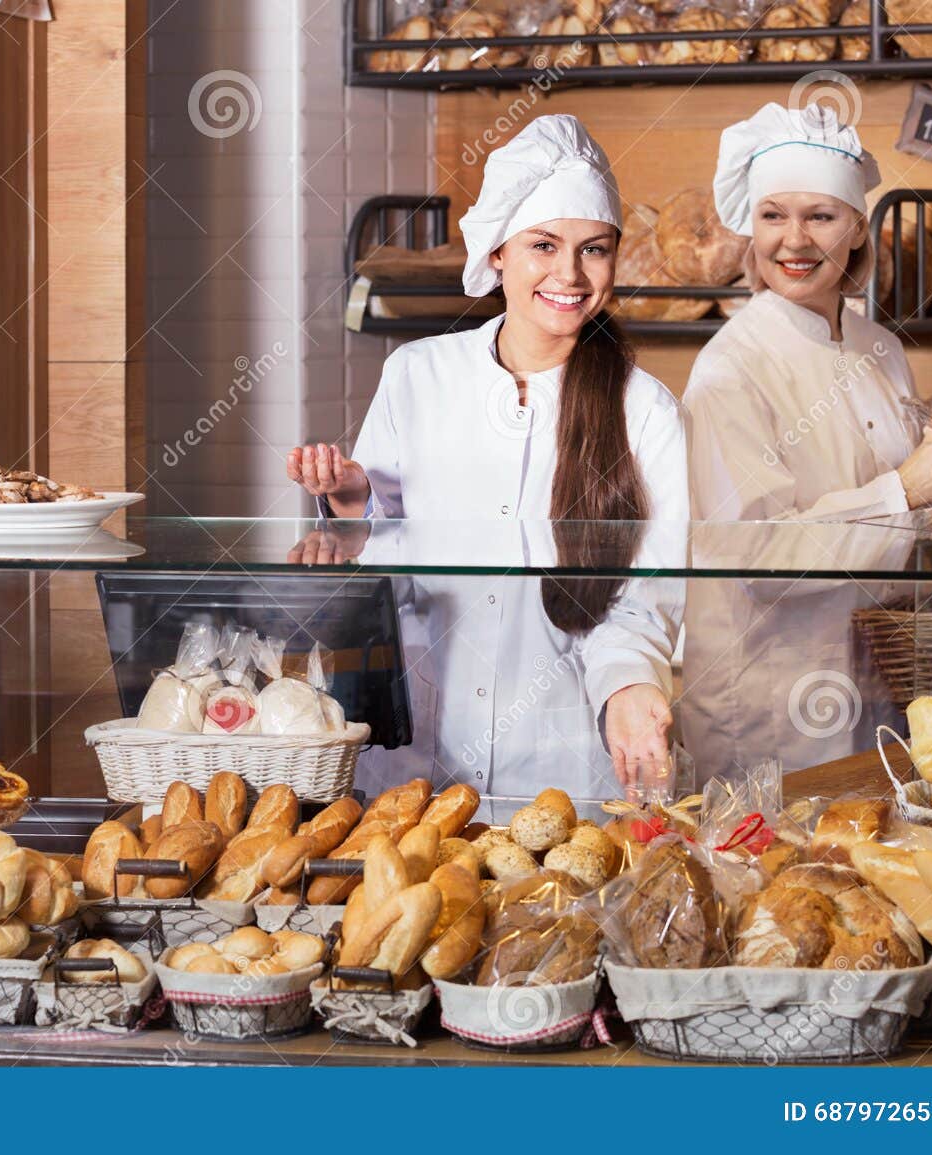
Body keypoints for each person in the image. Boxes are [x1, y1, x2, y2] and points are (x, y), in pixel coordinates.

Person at [285, 114, 688, 801]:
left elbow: (644, 604)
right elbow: (391, 577)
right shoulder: (419, 375)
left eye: (594, 249)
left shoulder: (645, 410)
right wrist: (354, 513)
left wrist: (627, 685)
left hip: (564, 769)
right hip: (415, 759)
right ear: (499, 251)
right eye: (543, 245)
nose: (570, 273)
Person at [679, 102, 932, 777]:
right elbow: (757, 558)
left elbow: (911, 497)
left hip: (875, 680)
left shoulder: (880, 347)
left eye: (820, 216)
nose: (793, 241)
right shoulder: (729, 370)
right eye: (773, 215)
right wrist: (912, 487)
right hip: (771, 700)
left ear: (858, 226)